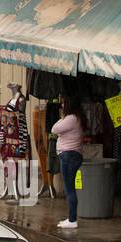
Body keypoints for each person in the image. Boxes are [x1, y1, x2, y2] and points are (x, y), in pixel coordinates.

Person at [51, 97, 84, 230]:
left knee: (69, 189)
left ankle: (72, 219)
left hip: (68, 156)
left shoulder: (71, 118)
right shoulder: (77, 118)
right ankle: (71, 218)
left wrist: (62, 118)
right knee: (70, 188)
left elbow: (54, 129)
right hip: (73, 155)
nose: (62, 105)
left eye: (64, 103)